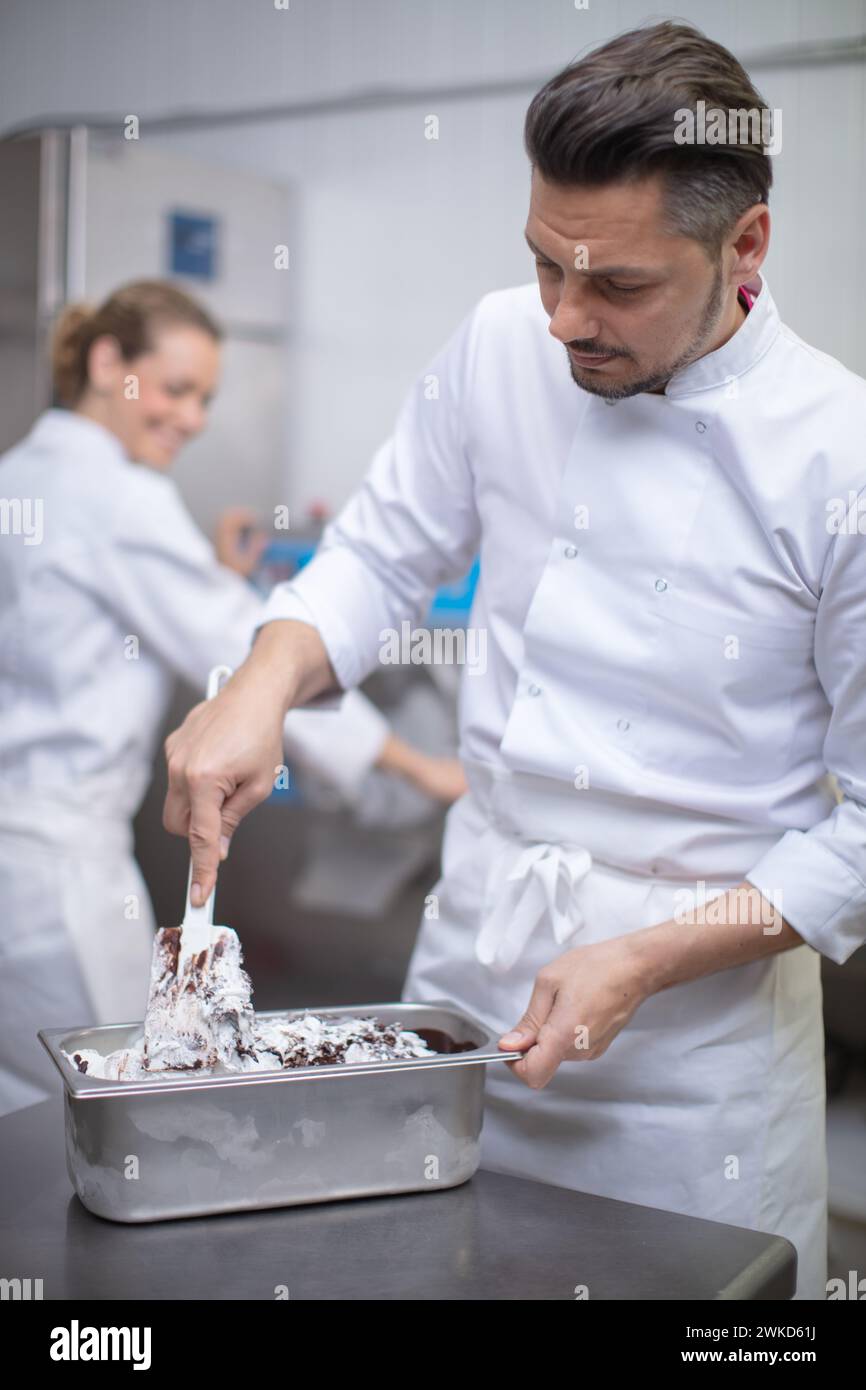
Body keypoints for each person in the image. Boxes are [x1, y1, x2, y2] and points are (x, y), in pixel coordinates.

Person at [160, 22, 866, 1300]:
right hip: (463, 986)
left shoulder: (837, 459)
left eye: (618, 288)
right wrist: (258, 684)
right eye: (544, 265)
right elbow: (378, 559)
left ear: (743, 246)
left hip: (687, 1067)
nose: (563, 319)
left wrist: (644, 956)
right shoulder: (496, 346)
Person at [0, 279, 464, 1117]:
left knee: (20, 1098)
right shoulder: (119, 498)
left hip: (18, 860)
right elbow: (242, 655)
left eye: (206, 398)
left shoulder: (23, 473)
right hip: (61, 877)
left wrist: (212, 571)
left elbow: (81, 642)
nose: (192, 417)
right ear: (108, 364)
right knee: (127, 1106)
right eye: (175, 389)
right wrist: (417, 770)